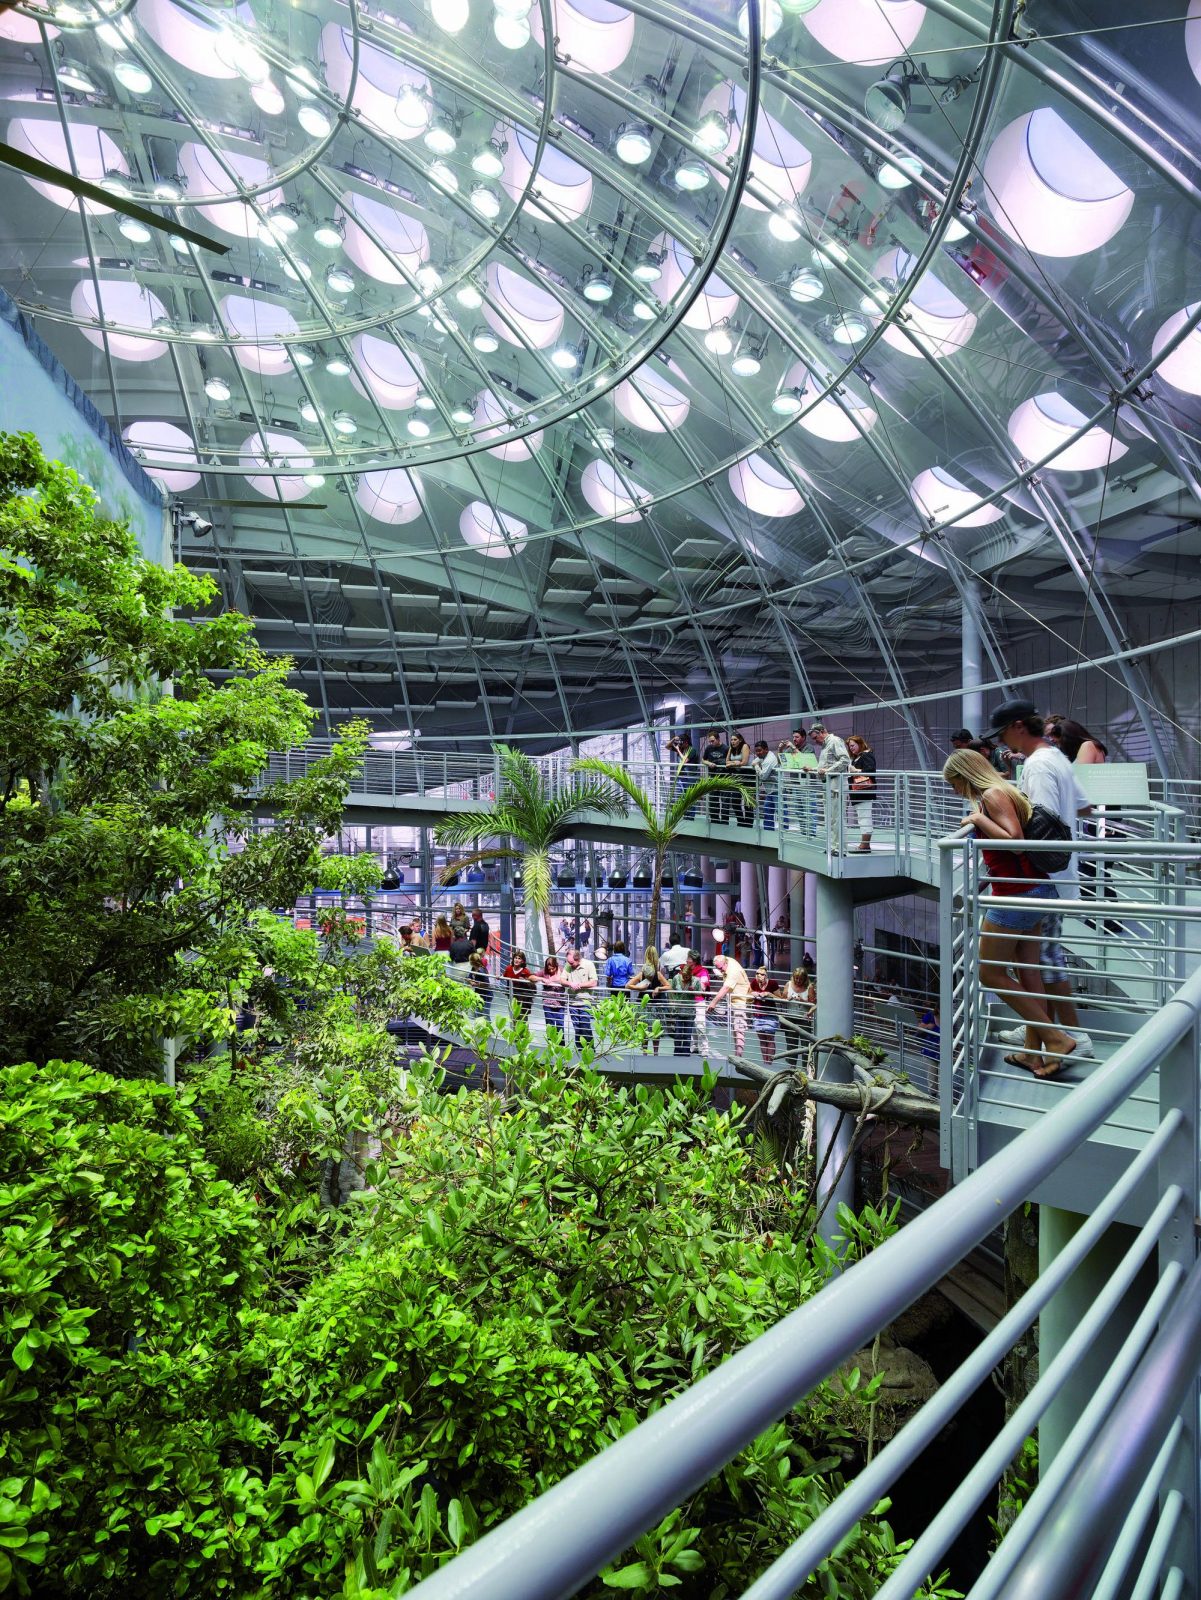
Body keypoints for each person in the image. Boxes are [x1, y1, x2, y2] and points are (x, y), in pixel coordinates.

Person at [942, 748, 1079, 1077]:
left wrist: (977, 819)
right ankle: (1033, 1053)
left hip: (1016, 894)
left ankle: (1055, 1038)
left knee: (989, 973)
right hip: (1031, 889)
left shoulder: (992, 795)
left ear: (965, 775)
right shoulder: (1003, 791)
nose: (954, 789)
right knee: (1028, 973)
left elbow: (1015, 841)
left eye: (954, 782)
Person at [986, 698, 1094, 1058]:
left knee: (1045, 959)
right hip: (1061, 872)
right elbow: (1083, 806)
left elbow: (1039, 823)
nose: (1002, 743)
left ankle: (1068, 1036)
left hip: (1045, 874)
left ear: (1018, 726)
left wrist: (997, 821)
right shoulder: (1056, 758)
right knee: (1043, 957)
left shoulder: (1038, 765)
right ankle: (1040, 1036)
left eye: (1003, 734)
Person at [707, 951, 751, 1059]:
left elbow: (726, 988)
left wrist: (713, 1002)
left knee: (739, 1030)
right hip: (733, 1002)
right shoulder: (727, 961)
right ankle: (737, 1056)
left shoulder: (733, 970)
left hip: (740, 1003)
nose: (721, 971)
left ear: (725, 963)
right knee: (735, 1031)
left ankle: (739, 1058)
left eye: (721, 968)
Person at [627, 946, 669, 1052]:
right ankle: (655, 1053)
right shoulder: (657, 973)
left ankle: (645, 1054)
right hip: (654, 1006)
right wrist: (658, 988)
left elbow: (628, 985)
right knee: (655, 1031)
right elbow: (668, 985)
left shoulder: (643, 973)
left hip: (644, 1006)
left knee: (644, 1031)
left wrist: (639, 988)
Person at [845, 733, 877, 853]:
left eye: (853, 745)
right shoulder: (857, 757)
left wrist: (856, 770)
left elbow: (871, 770)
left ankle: (865, 845)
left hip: (864, 792)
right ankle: (864, 844)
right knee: (862, 818)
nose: (851, 748)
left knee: (864, 818)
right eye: (849, 746)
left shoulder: (866, 755)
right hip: (858, 792)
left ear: (859, 744)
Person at [779, 966, 814, 1063]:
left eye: (801, 979)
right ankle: (792, 1067)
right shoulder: (788, 984)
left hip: (804, 1019)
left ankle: (806, 1067)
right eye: (796, 978)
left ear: (805, 979)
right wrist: (788, 999)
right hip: (790, 1018)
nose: (798, 981)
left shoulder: (809, 987)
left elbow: (813, 1004)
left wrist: (802, 1000)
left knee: (805, 1044)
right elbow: (782, 1001)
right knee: (791, 1043)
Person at [677, 957, 710, 1059]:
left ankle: (705, 1048)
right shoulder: (683, 970)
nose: (686, 961)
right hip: (688, 1002)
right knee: (691, 1025)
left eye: (689, 960)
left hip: (699, 1002)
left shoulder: (703, 971)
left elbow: (703, 986)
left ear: (694, 961)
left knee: (700, 1025)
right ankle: (694, 1046)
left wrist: (696, 986)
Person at [565, 946, 598, 1047]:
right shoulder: (568, 966)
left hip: (585, 1002)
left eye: (571, 963)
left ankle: (590, 1051)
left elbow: (593, 982)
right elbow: (562, 980)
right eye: (568, 962)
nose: (569, 965)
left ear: (578, 959)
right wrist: (570, 984)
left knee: (585, 1027)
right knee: (577, 1028)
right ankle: (579, 1052)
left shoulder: (589, 964)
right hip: (573, 1002)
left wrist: (579, 985)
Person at [750, 967, 781, 1065]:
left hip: (770, 1015)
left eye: (762, 974)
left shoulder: (773, 983)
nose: (759, 976)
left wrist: (769, 994)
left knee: (770, 1039)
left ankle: (769, 1063)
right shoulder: (754, 982)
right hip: (758, 1015)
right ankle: (765, 1062)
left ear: (766, 975)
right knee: (762, 1040)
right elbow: (748, 994)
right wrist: (753, 994)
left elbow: (780, 998)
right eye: (757, 973)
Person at [726, 731, 753, 826]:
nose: (733, 741)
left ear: (740, 740)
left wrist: (734, 763)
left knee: (748, 805)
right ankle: (741, 822)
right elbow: (727, 762)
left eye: (735, 739)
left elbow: (744, 762)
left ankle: (748, 825)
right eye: (732, 740)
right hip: (737, 777)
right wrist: (735, 763)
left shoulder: (745, 746)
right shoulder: (731, 748)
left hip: (748, 778)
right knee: (734, 801)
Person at [702, 729, 728, 822]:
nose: (711, 743)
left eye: (713, 741)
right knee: (713, 801)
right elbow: (703, 759)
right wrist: (708, 763)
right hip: (712, 778)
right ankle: (714, 821)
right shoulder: (709, 748)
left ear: (718, 739)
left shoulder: (726, 748)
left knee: (725, 803)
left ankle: (725, 822)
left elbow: (729, 761)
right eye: (710, 741)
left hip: (724, 778)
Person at [752, 739, 779, 830]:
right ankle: (768, 831)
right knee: (767, 811)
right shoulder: (765, 755)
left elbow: (763, 776)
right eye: (756, 751)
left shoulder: (769, 759)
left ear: (766, 749)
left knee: (782, 813)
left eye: (759, 750)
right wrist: (755, 762)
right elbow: (756, 760)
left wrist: (756, 766)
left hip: (777, 790)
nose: (757, 753)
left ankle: (785, 833)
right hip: (770, 790)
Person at [538, 954, 567, 1033]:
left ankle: (561, 1045)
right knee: (549, 1025)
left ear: (556, 966)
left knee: (560, 1025)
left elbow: (568, 980)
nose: (551, 971)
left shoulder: (562, 970)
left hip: (560, 1003)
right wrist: (542, 978)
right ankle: (550, 1044)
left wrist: (556, 981)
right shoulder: (544, 972)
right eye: (549, 969)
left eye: (552, 968)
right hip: (548, 1003)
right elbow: (532, 977)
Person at [502, 949, 535, 1019]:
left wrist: (525, 980)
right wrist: (498, 977)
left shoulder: (526, 971)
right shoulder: (508, 968)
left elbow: (532, 984)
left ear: (522, 961)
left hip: (523, 999)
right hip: (512, 996)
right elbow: (504, 976)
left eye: (519, 958)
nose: (516, 960)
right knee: (513, 1016)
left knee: (522, 1018)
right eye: (515, 958)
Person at [468, 950, 492, 1016]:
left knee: (485, 1015)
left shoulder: (481, 970)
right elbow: (469, 977)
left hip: (486, 995)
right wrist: (471, 981)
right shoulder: (473, 968)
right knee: (478, 1014)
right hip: (479, 995)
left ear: (472, 962)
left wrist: (477, 984)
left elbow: (487, 983)